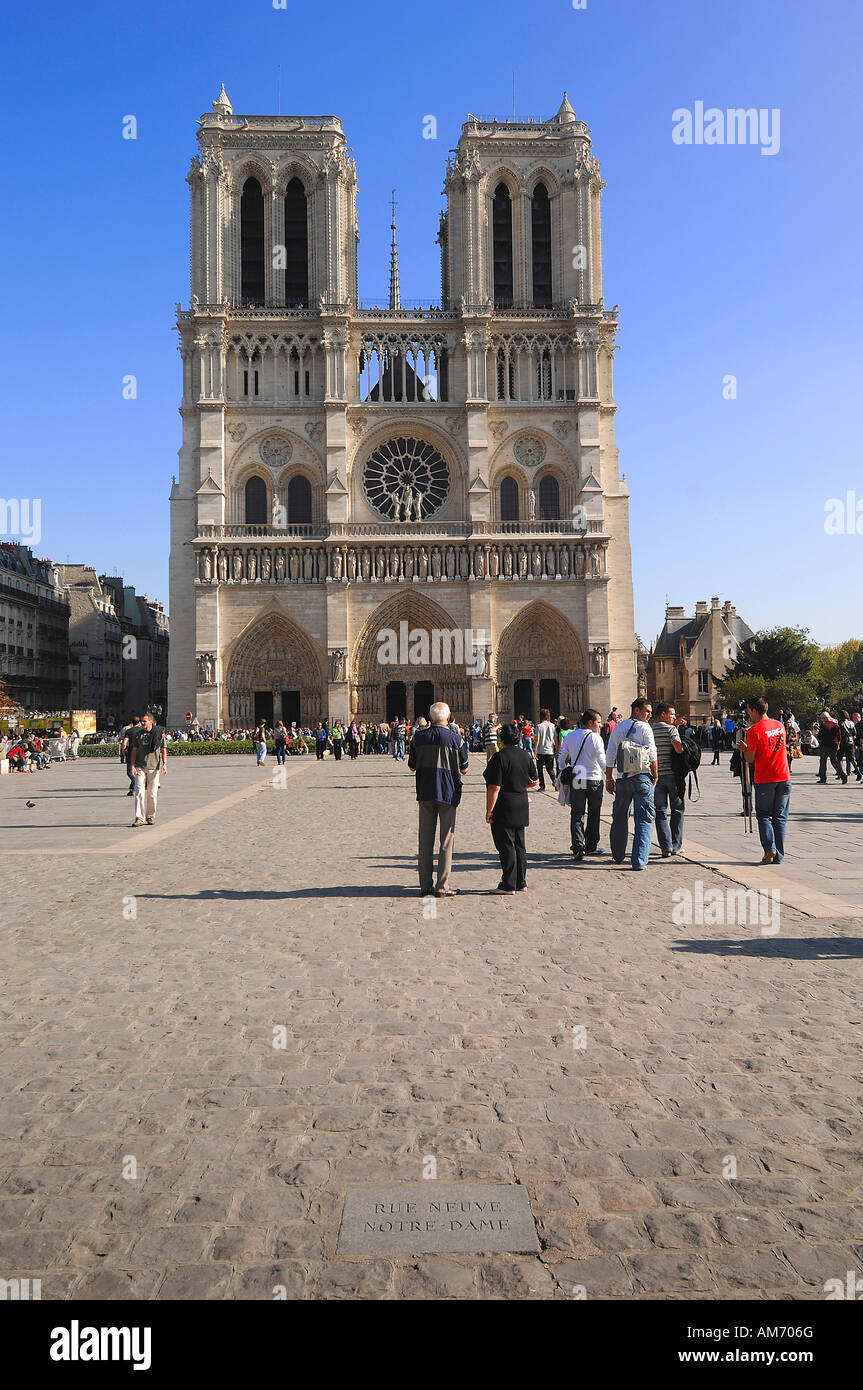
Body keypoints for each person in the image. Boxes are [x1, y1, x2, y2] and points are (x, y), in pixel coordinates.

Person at [408, 701, 469, 898]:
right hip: (448, 793)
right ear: (448, 716)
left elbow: (412, 766)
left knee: (425, 841)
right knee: (446, 841)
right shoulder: (456, 739)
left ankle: (425, 885)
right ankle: (442, 886)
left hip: (425, 791)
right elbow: (464, 769)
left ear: (431, 717)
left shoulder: (418, 738)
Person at [484, 722, 539, 893]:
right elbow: (535, 781)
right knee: (520, 845)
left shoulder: (499, 758)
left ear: (501, 740)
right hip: (521, 802)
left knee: (506, 845)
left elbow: (494, 787)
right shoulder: (525, 756)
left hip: (504, 804)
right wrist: (520, 786)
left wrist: (489, 810)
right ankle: (521, 882)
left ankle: (508, 884)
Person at [736, 696, 791, 865]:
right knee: (780, 816)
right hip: (784, 775)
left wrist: (745, 748)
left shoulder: (754, 730)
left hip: (766, 777)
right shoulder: (779, 725)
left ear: (754, 710)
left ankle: (769, 848)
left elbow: (751, 758)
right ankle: (779, 855)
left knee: (764, 815)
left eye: (748, 711)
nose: (748, 714)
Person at [605, 698, 658, 870]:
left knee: (619, 818)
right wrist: (655, 775)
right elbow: (652, 754)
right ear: (636, 710)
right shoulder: (645, 727)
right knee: (643, 819)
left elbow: (611, 753)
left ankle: (618, 855)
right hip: (642, 776)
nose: (650, 714)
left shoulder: (618, 727)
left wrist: (608, 777)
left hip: (622, 778)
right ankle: (639, 861)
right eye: (647, 711)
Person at [558, 709, 606, 860]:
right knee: (594, 813)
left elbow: (561, 759)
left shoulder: (570, 736)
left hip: (577, 776)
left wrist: (566, 769)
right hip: (594, 778)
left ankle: (578, 847)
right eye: (598, 722)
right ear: (590, 723)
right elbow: (602, 761)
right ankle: (591, 846)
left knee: (577, 814)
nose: (601, 725)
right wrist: (610, 776)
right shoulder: (595, 738)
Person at [651, 702, 686, 858]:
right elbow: (678, 748)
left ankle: (666, 847)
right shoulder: (671, 729)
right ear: (663, 714)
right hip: (672, 775)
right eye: (671, 714)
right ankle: (676, 845)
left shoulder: (649, 729)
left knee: (660, 811)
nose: (674, 716)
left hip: (656, 776)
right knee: (677, 809)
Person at [129, 711, 167, 827]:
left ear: (151, 721)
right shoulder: (138, 734)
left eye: (144, 721)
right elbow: (134, 750)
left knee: (152, 793)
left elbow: (163, 749)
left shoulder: (158, 733)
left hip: (154, 766)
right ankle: (139, 817)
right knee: (139, 791)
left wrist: (165, 764)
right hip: (140, 766)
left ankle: (150, 816)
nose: (142, 723)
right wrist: (132, 765)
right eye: (141, 721)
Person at [817, 710, 847, 784]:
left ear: (824, 718)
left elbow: (820, 736)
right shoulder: (836, 725)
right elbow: (839, 736)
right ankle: (843, 775)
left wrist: (820, 740)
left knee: (823, 761)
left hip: (825, 746)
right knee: (834, 761)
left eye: (821, 718)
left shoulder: (823, 725)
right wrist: (838, 744)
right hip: (834, 745)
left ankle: (823, 778)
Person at [534, 707, 557, 791]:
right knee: (550, 768)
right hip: (550, 750)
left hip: (541, 750)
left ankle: (542, 786)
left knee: (540, 769)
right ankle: (555, 781)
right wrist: (557, 749)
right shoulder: (552, 726)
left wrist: (535, 751)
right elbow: (555, 739)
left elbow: (537, 740)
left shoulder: (539, 726)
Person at [120, 714, 141, 795]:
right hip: (140, 752)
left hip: (131, 752)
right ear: (139, 722)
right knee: (137, 770)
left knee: (130, 772)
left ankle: (136, 783)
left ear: (132, 723)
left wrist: (123, 751)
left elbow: (124, 743)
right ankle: (132, 790)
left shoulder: (129, 731)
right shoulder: (142, 730)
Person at [838, 708, 861, 781]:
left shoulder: (840, 723)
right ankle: (858, 772)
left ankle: (841, 774)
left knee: (839, 758)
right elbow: (854, 733)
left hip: (843, 741)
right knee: (852, 758)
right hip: (851, 741)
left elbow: (839, 733)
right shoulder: (851, 723)